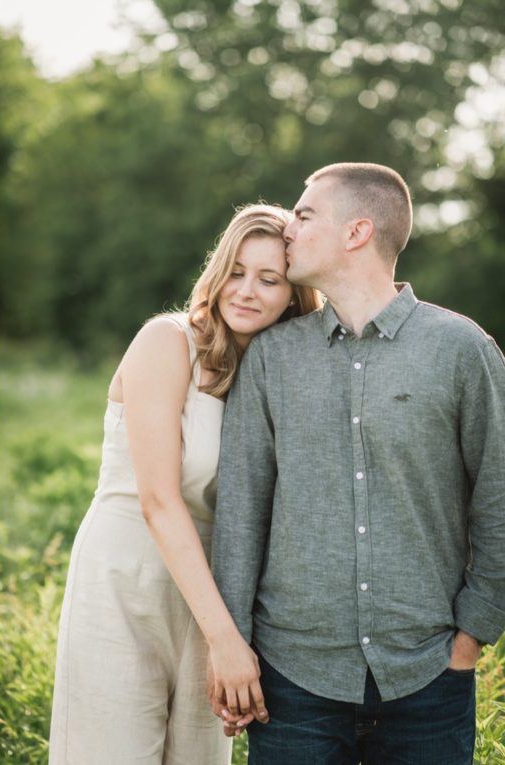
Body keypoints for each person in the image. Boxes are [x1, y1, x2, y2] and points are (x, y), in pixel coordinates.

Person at [212, 163, 505, 763]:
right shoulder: (271, 357)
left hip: (428, 676)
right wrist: (234, 645)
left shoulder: (461, 349)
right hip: (292, 683)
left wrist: (471, 637)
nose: (289, 227)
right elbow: (242, 511)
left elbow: (499, 499)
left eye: (305, 213)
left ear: (357, 232)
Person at [48, 204, 322, 764]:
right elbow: (158, 501)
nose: (245, 291)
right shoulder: (168, 341)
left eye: (269, 280)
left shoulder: (277, 375)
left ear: (294, 295)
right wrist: (227, 639)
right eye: (236, 271)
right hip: (130, 576)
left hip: (216, 591)